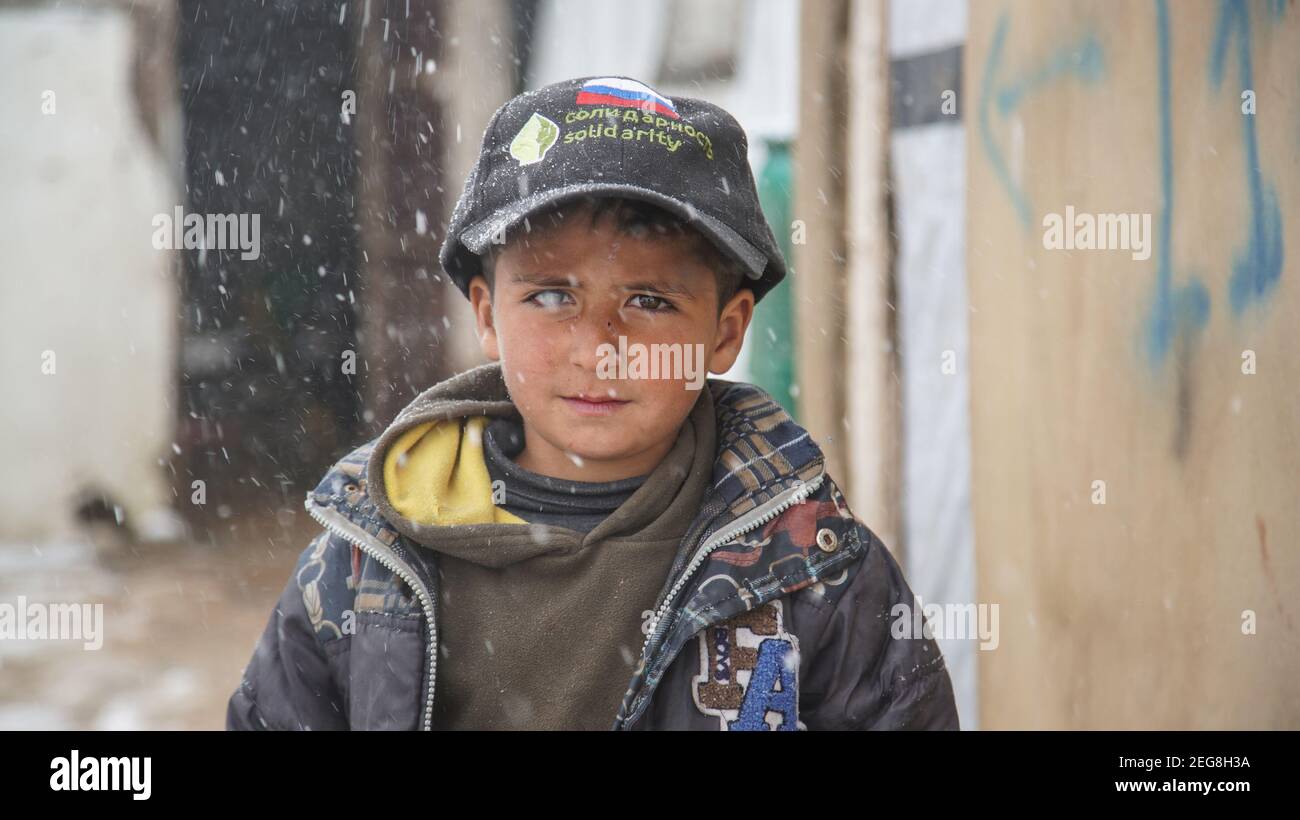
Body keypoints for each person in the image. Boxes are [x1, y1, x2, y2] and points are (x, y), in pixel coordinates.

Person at [226, 75, 959, 730]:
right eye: (550, 295)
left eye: (649, 300)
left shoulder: (812, 564)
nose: (598, 346)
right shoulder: (366, 562)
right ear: (486, 316)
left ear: (725, 332)